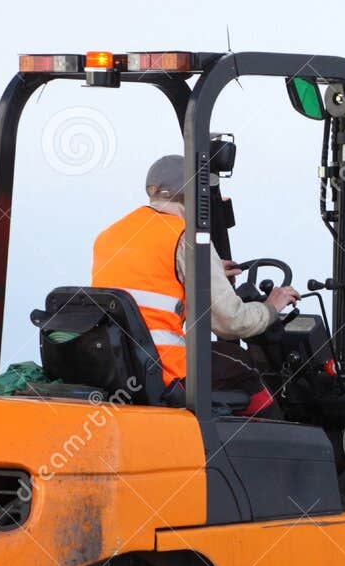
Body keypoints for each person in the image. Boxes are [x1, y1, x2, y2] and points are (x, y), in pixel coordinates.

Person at [91, 155, 300, 413]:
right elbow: (231, 323)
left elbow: (149, 286)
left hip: (120, 362)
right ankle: (279, 443)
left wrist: (207, 272)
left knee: (227, 356)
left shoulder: (111, 235)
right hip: (163, 367)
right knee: (241, 364)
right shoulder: (186, 237)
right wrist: (271, 307)